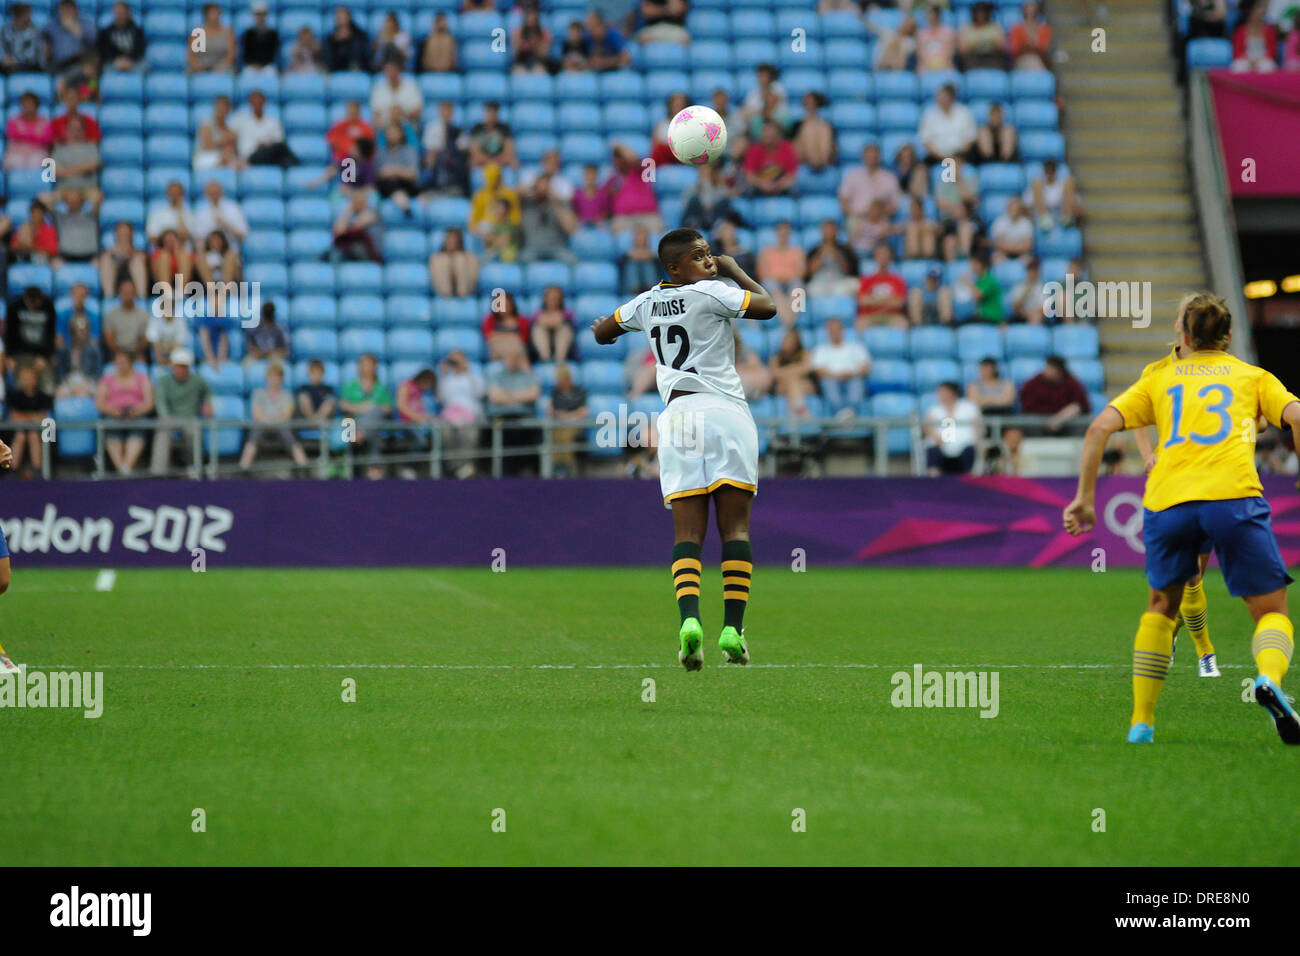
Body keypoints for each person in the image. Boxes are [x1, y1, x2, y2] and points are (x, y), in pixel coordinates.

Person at [1063, 292, 1300, 744]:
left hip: (1168, 500)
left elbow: (1098, 429)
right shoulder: (1251, 376)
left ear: (1184, 333)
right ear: (1228, 337)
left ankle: (1142, 724)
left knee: (1160, 608)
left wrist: (1085, 500)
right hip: (1232, 498)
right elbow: (1296, 416)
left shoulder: (1160, 377)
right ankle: (1269, 679)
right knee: (1270, 611)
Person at [589, 227, 778, 669]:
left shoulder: (645, 302)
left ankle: (689, 623)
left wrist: (612, 331)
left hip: (677, 420)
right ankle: (733, 628)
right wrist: (735, 272)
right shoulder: (714, 292)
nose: (710, 261)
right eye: (699, 256)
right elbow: (768, 308)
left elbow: (602, 332)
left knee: (686, 534)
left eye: (711, 254)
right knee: (736, 530)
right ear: (675, 267)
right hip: (727, 414)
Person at [151, 348, 213, 476]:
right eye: (178, 366)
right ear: (172, 366)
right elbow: (160, 401)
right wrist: (164, 416)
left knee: (193, 431)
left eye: (184, 366)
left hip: (189, 417)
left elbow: (207, 392)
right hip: (169, 417)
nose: (181, 370)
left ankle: (194, 466)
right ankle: (158, 471)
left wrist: (207, 403)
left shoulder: (197, 380)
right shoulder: (164, 381)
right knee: (163, 431)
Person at [241, 362, 308, 472]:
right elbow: (256, 413)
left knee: (287, 432)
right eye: (271, 376)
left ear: (281, 379)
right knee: (255, 432)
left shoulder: (287, 395)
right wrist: (268, 422)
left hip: (281, 424)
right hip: (263, 424)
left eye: (277, 377)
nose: (274, 379)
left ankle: (303, 466)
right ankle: (244, 467)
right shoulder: (258, 393)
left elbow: (287, 414)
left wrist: (275, 422)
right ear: (267, 378)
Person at [95, 348, 153, 474]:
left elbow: (149, 403)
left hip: (136, 413)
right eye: (118, 362)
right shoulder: (107, 379)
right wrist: (112, 410)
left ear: (131, 363)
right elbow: (100, 403)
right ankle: (120, 467)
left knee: (139, 426)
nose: (121, 365)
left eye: (124, 362)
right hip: (113, 413)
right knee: (111, 427)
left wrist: (137, 411)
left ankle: (126, 466)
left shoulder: (142, 378)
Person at [340, 353, 394, 479]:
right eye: (364, 364)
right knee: (371, 424)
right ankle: (374, 469)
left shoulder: (381, 387)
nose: (366, 368)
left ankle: (361, 434)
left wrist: (372, 408)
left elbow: (388, 408)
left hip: (371, 425)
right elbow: (343, 405)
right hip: (355, 421)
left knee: (375, 413)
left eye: (369, 364)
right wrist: (363, 407)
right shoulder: (351, 385)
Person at [436, 349, 483, 478]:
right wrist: (443, 375)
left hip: (470, 413)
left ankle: (466, 465)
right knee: (445, 432)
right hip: (450, 414)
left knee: (470, 434)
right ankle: (455, 466)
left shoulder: (473, 377)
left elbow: (479, 392)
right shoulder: (447, 380)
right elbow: (441, 398)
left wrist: (468, 372)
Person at [811, 318, 871, 418]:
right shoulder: (821, 350)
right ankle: (848, 414)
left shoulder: (856, 347)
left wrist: (852, 374)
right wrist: (837, 375)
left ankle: (844, 415)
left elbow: (866, 367)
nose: (834, 333)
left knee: (857, 383)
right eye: (831, 331)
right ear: (828, 332)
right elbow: (818, 370)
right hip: (831, 378)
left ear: (842, 330)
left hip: (852, 377)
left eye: (837, 330)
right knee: (828, 384)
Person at [923, 380, 982, 475]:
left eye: (943, 392)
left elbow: (978, 426)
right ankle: (933, 482)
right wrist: (937, 437)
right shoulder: (934, 410)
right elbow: (927, 428)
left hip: (965, 445)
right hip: (940, 445)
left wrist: (976, 439)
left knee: (970, 451)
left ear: (953, 393)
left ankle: (969, 482)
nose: (940, 395)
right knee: (932, 450)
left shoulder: (969, 407)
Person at [755, 221, 806, 325]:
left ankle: (789, 321)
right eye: (781, 232)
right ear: (776, 234)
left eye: (786, 232)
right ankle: (790, 323)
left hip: (791, 281)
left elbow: (802, 272)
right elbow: (762, 273)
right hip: (773, 282)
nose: (783, 235)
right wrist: (778, 278)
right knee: (774, 289)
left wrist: (786, 277)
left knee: (798, 288)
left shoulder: (797, 251)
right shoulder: (766, 252)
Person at [7, 363, 52, 477]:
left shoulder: (43, 397)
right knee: (21, 435)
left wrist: (25, 417)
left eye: (29, 378)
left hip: (41, 433)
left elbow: (45, 417)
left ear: (35, 379)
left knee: (32, 435)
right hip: (17, 432)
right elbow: (14, 416)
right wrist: (33, 417)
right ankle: (13, 469)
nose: (27, 381)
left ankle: (37, 469)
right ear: (20, 380)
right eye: (24, 379)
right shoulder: (15, 397)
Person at [856, 243, 909, 330]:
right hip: (869, 316)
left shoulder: (898, 280)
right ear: (875, 257)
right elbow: (862, 301)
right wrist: (888, 299)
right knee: (860, 324)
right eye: (880, 254)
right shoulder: (867, 280)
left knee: (903, 324)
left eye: (885, 254)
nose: (883, 257)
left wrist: (873, 299)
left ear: (890, 258)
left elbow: (899, 303)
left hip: (892, 316)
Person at [549, 363, 588, 477]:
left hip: (576, 424)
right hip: (560, 424)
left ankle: (567, 468)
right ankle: (558, 467)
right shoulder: (555, 393)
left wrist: (567, 416)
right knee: (556, 436)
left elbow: (584, 411)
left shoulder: (579, 391)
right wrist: (560, 416)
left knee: (566, 436)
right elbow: (552, 411)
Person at [805, 220, 860, 298]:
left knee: (846, 288)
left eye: (831, 229)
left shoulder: (845, 249)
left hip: (840, 281)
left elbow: (849, 270)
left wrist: (836, 255)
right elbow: (810, 272)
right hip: (820, 282)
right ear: (822, 231)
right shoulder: (815, 250)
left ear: (836, 231)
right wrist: (821, 255)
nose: (829, 232)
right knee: (814, 290)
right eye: (826, 230)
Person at [742, 121, 799, 197]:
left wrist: (779, 185)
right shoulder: (754, 150)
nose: (768, 138)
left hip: (782, 187)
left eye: (771, 136)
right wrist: (761, 183)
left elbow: (793, 174)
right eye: (766, 135)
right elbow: (749, 175)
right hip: (759, 187)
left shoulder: (787, 148)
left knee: (795, 189)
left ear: (777, 135)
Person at [55, 312, 102, 398]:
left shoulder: (94, 350)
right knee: (60, 393)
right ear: (73, 331)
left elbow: (97, 372)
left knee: (92, 393)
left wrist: (86, 384)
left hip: (87, 381)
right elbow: (60, 372)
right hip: (69, 381)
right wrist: (68, 385)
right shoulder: (65, 349)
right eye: (80, 330)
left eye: (85, 330)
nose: (83, 333)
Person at [102, 278, 150, 359]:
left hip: (137, 354)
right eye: (125, 293)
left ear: (135, 294)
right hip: (117, 355)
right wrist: (121, 355)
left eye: (130, 293)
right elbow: (109, 339)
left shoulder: (143, 315)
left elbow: (145, 339)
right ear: (120, 294)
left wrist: (134, 354)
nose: (128, 296)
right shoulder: (111, 315)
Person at [530, 286, 576, 363]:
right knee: (538, 329)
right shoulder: (537, 314)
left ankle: (560, 358)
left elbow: (563, 321)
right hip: (540, 348)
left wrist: (550, 321)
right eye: (550, 298)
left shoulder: (567, 313)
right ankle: (545, 357)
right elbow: (539, 322)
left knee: (564, 329)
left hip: (566, 350)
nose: (553, 301)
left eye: (556, 298)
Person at [429, 227, 478, 297]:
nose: (451, 242)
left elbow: (473, 280)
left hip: (465, 292)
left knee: (460, 259)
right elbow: (434, 280)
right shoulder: (436, 259)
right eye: (449, 239)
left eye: (454, 239)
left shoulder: (470, 258)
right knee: (444, 259)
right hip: (443, 293)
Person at [188, 3, 235, 73]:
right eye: (212, 13)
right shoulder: (197, 33)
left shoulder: (228, 32)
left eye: (217, 13)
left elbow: (231, 55)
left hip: (223, 67)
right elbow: (192, 57)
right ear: (206, 15)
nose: (215, 16)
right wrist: (199, 67)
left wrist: (221, 67)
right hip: (201, 67)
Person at [2, 3, 46, 74]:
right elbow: (1, 48)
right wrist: (4, 58)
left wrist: (14, 60)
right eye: (26, 17)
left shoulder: (34, 32)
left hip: (27, 66)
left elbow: (31, 55)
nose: (29, 19)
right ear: (16, 18)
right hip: (6, 66)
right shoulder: (5, 30)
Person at [324, 6, 369, 72]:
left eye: (342, 17)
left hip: (356, 68)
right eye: (338, 17)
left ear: (349, 17)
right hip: (336, 68)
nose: (340, 19)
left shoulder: (359, 35)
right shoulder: (331, 37)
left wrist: (348, 38)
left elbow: (362, 52)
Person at [620, 225, 661, 296]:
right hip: (630, 289)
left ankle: (650, 291)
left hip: (652, 286)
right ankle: (635, 290)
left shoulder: (654, 255)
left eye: (643, 235)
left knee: (647, 264)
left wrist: (652, 256)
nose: (640, 238)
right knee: (632, 264)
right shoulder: (626, 255)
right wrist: (629, 256)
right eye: (638, 235)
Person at [241, 1, 279, 74]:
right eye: (258, 14)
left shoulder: (273, 34)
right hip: (251, 66)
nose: (260, 17)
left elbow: (273, 53)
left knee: (271, 73)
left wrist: (262, 65)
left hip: (267, 66)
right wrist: (253, 64)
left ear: (266, 15)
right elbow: (246, 53)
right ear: (254, 15)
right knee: (247, 74)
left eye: (262, 14)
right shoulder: (248, 34)